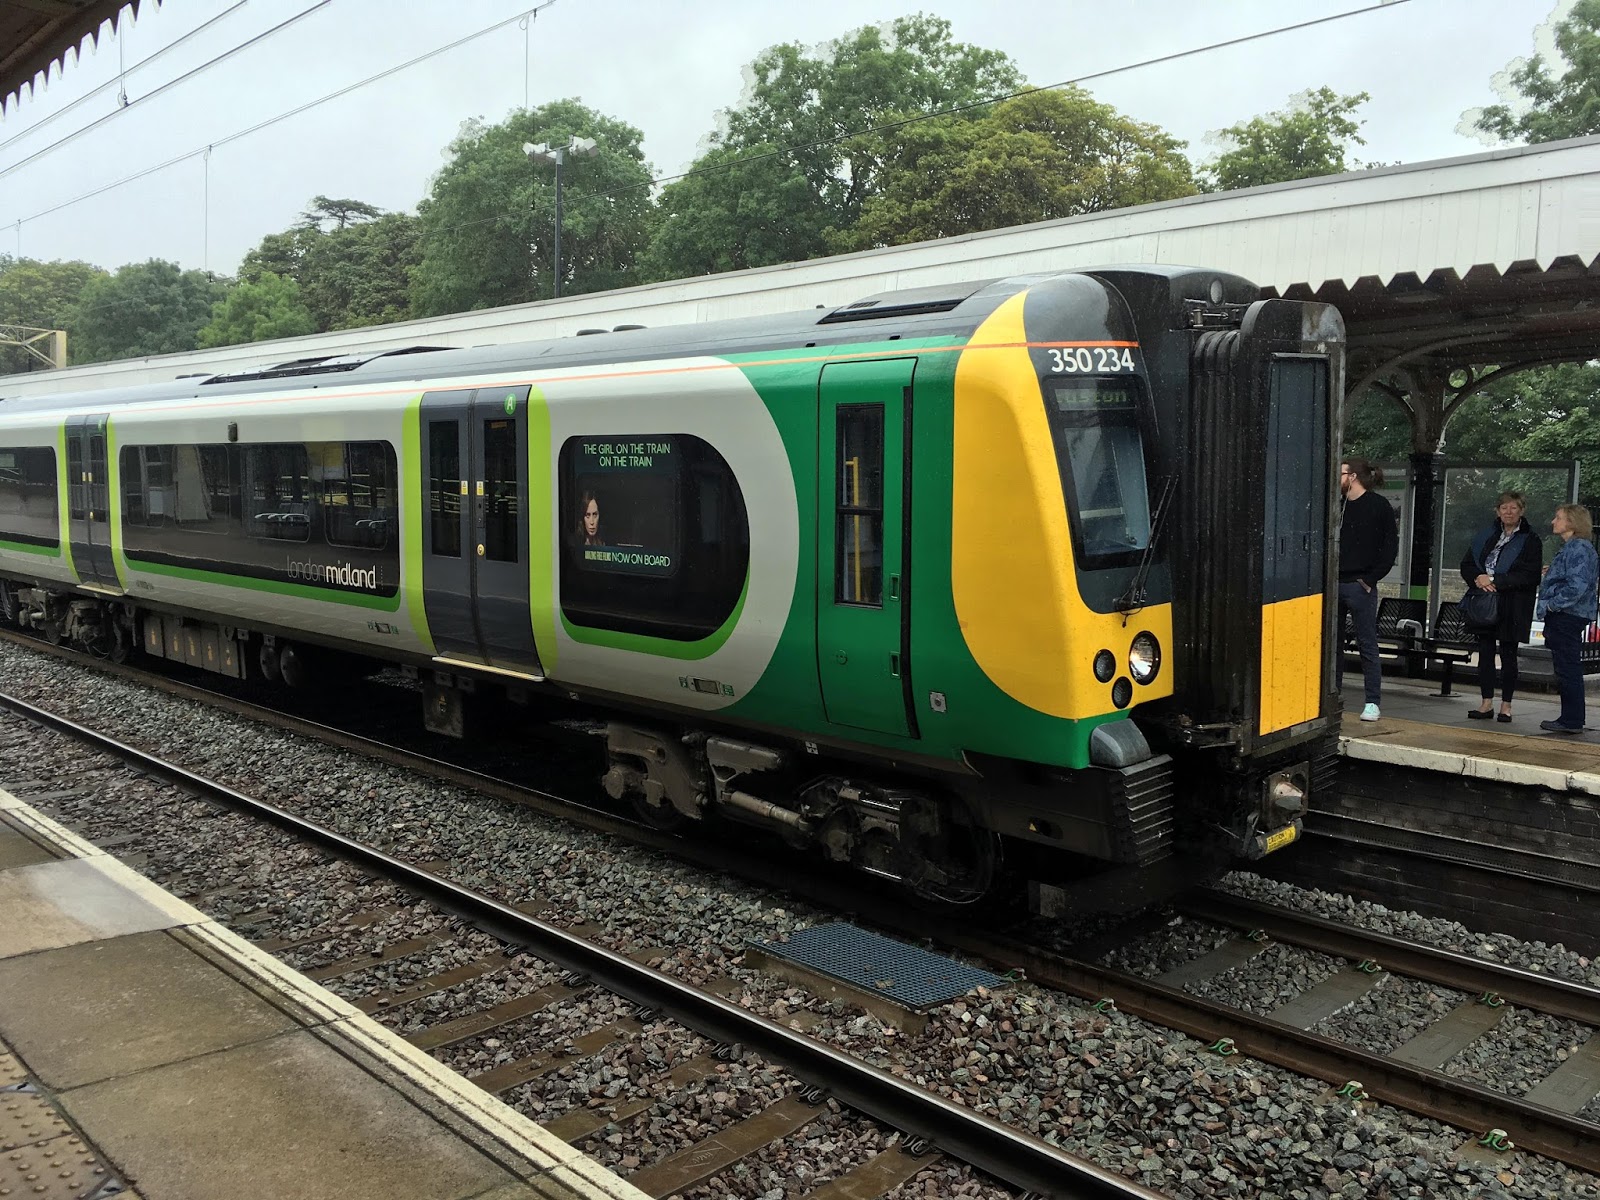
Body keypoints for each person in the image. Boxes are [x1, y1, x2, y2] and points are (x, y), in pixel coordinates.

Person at [1458, 492, 1542, 722]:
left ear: (1521, 511)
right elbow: (1467, 564)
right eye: (1504, 508)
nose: (1508, 512)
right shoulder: (1486, 535)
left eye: (1513, 508)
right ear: (1497, 511)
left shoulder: (1530, 540)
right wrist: (1478, 578)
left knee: (1508, 655)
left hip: (1512, 605)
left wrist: (1496, 580)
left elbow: (1530, 575)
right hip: (1485, 602)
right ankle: (1486, 703)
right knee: (1485, 654)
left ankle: (1506, 705)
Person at [1337, 457, 1398, 721]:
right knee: (1332, 645)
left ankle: (1372, 701)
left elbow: (1389, 547)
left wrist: (1371, 579)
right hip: (1337, 582)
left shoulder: (1378, 506)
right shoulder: (1338, 505)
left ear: (1353, 477)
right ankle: (1333, 695)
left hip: (1361, 584)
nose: (1338, 478)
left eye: (1341, 473)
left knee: (1367, 644)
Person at [1537, 503, 1598, 734]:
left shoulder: (1578, 548)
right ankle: (1571, 718)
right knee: (1566, 666)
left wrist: (1552, 604)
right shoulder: (1575, 548)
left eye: (1558, 517)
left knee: (1567, 667)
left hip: (1567, 615)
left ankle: (1571, 720)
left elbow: (1577, 586)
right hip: (1569, 614)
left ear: (1572, 522)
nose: (1554, 521)